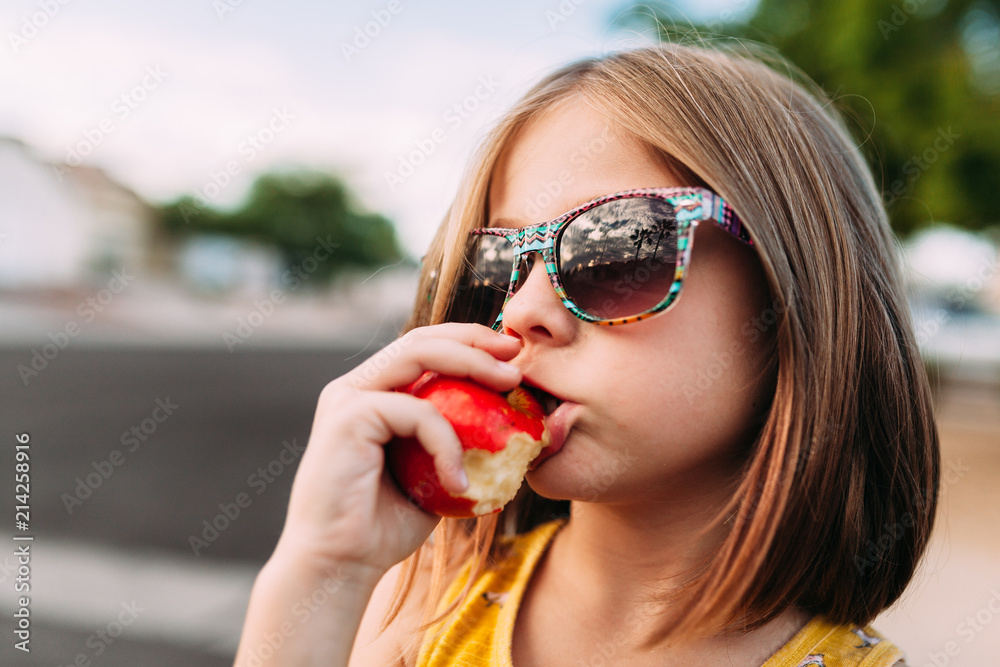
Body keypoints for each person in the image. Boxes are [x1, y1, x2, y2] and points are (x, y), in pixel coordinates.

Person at [234, 41, 940, 667]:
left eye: (614, 245)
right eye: (496, 264)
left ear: (796, 291)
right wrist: (323, 572)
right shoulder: (424, 602)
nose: (520, 309)